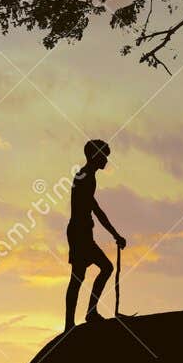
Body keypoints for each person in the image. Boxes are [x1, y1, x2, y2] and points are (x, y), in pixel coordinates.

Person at [64, 139, 126, 331]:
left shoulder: (87, 176)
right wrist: (115, 234)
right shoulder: (85, 176)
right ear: (95, 156)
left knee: (88, 274)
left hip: (82, 232)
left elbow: (94, 208)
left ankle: (85, 315)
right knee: (85, 274)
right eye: (104, 156)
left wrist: (114, 233)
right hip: (79, 233)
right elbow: (94, 209)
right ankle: (77, 320)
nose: (106, 160)